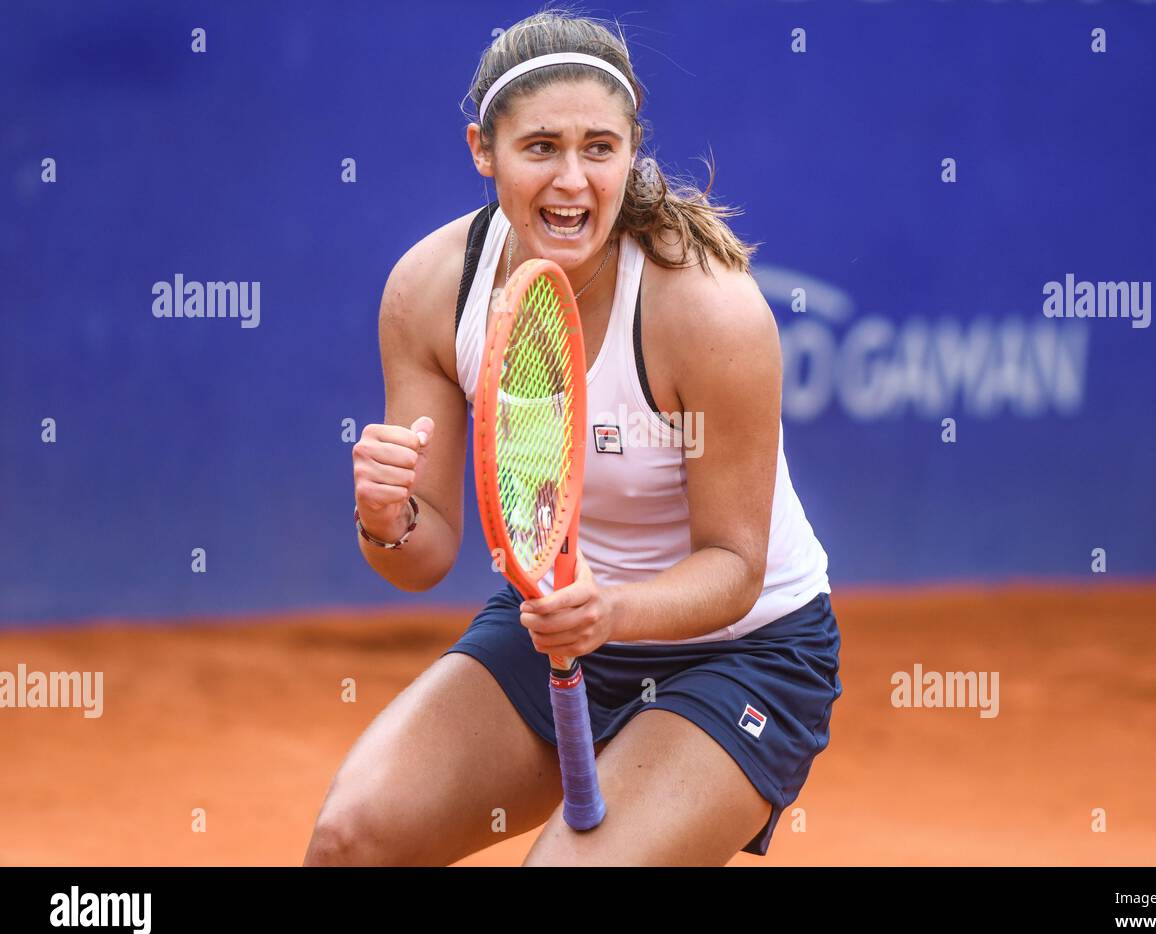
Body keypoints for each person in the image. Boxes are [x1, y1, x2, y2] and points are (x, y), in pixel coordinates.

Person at [304, 7, 841, 867]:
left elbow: (737, 567)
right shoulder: (431, 290)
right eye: (540, 147)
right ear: (483, 150)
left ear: (632, 152)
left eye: (599, 148)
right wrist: (385, 517)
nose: (572, 181)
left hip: (743, 651)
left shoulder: (707, 310)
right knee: (351, 842)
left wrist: (610, 611)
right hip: (556, 624)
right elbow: (422, 558)